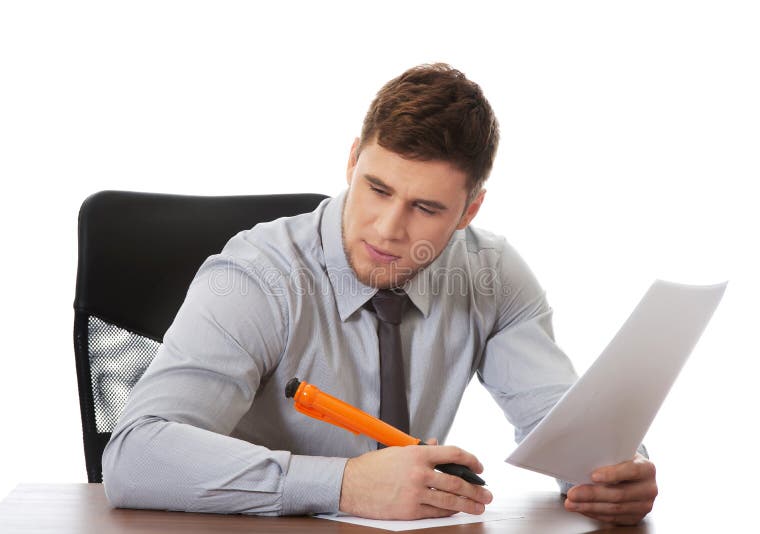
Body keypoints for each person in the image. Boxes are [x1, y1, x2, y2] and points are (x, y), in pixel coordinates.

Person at [102, 63, 658, 526]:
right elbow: (134, 458)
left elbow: (565, 433)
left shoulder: (489, 274)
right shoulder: (257, 276)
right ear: (352, 161)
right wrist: (343, 484)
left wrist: (612, 472)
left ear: (469, 210)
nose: (389, 229)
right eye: (377, 189)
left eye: (426, 208)